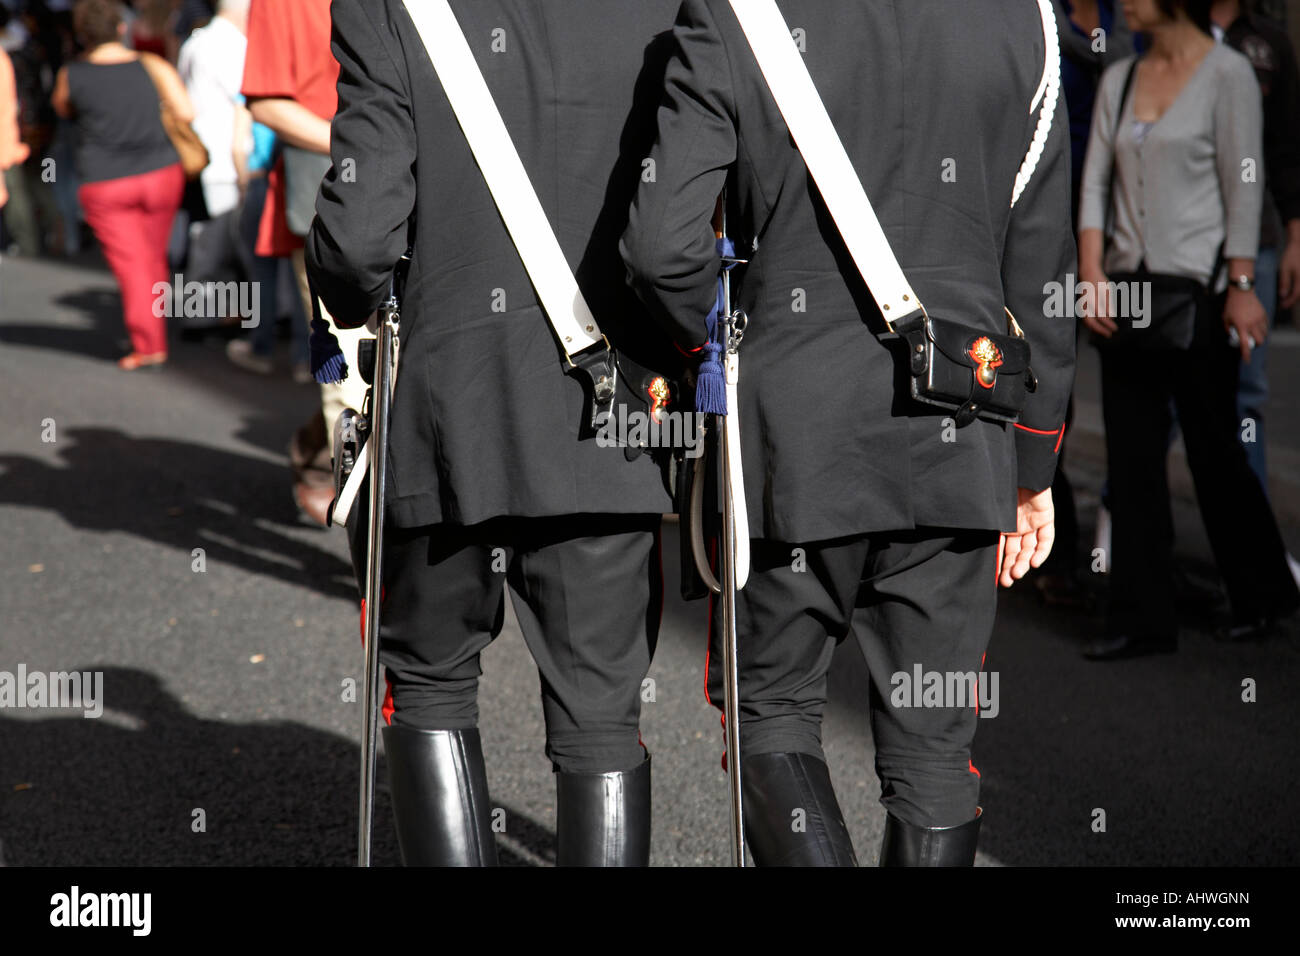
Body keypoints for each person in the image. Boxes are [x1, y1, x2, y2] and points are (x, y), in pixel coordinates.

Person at [621, 0, 1076, 865]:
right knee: (936, 752)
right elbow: (1044, 265)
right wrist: (1033, 463)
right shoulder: (1030, 19)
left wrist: (719, 347)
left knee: (775, 710)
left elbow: (659, 246)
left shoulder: (737, 10)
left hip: (795, 434)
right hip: (964, 416)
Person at [306, 0, 683, 866]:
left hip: (447, 410)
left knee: (431, 687)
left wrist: (335, 275)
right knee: (601, 714)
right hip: (609, 409)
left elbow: (359, 241)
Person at [1077, 0, 1299, 656]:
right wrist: (1091, 273)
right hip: (1126, 292)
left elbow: (1243, 187)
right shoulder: (1120, 77)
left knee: (1214, 449)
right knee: (1132, 454)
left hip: (1199, 294)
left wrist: (1240, 287)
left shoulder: (1228, 74)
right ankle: (1141, 619)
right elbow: (1094, 185)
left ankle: (1262, 593)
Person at [240, 0, 366, 526]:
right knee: (348, 372)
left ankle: (317, 451)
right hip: (329, 195)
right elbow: (267, 101)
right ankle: (367, 534)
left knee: (403, 367)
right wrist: (359, 145)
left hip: (420, 188)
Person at [52, 0, 190, 370]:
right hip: (161, 172)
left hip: (106, 180)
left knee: (133, 265)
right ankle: (153, 328)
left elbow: (62, 108)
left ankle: (149, 344)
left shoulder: (73, 73)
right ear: (120, 28)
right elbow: (186, 111)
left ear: (83, 35)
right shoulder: (151, 64)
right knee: (151, 257)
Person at [1209, 0, 1300, 496]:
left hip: (1258, 240)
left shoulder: (1268, 43)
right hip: (1181, 249)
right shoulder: (1167, 33)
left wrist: (1295, 240)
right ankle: (1126, 523)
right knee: (1162, 391)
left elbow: (1286, 150)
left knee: (1247, 393)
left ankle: (1254, 538)